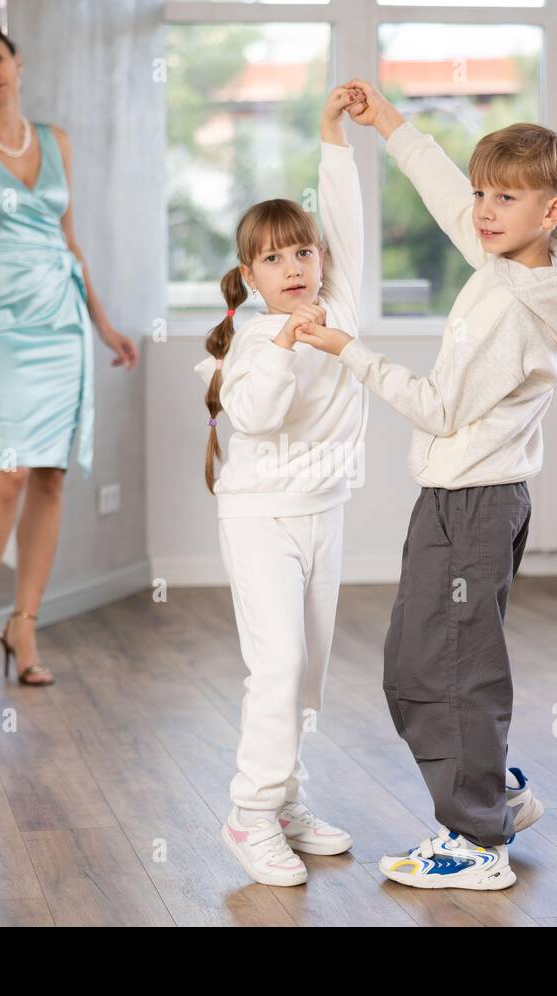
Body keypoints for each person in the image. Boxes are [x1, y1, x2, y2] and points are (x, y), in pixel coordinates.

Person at [292, 79, 557, 890]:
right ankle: (490, 793)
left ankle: (475, 840)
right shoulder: (535, 263)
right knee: (426, 660)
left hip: (471, 502)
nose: (484, 211)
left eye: (505, 197)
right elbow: (444, 198)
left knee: (446, 668)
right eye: (481, 193)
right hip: (473, 501)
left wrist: (343, 350)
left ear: (553, 210)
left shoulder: (508, 307)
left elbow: (435, 407)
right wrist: (388, 123)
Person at [0, 19, 137, 700]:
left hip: (63, 325)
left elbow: (70, 241)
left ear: (16, 61)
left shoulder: (55, 141)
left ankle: (26, 626)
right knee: (9, 472)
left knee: (49, 478)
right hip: (4, 330)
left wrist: (103, 323)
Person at [194, 86, 368, 887]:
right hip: (261, 516)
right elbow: (259, 419)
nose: (294, 267)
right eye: (274, 258)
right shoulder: (251, 340)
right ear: (249, 275)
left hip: (324, 512)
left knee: (309, 671)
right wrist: (292, 345)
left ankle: (289, 798)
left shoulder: (342, 303)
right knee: (277, 664)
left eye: (303, 251)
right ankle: (250, 814)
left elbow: (345, 213)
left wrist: (331, 128)